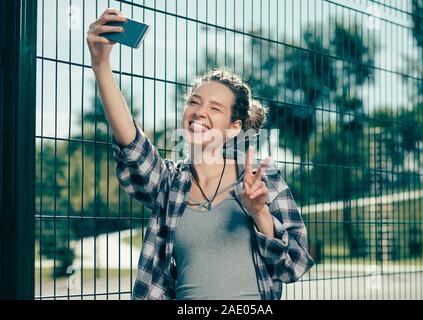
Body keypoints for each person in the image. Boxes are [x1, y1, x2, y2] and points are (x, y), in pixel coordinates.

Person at [87, 8, 314, 300]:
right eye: (195, 102)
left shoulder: (260, 179)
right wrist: (101, 63)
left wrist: (259, 213)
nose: (200, 112)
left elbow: (293, 265)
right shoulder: (169, 184)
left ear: (234, 128)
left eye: (215, 108)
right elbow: (132, 145)